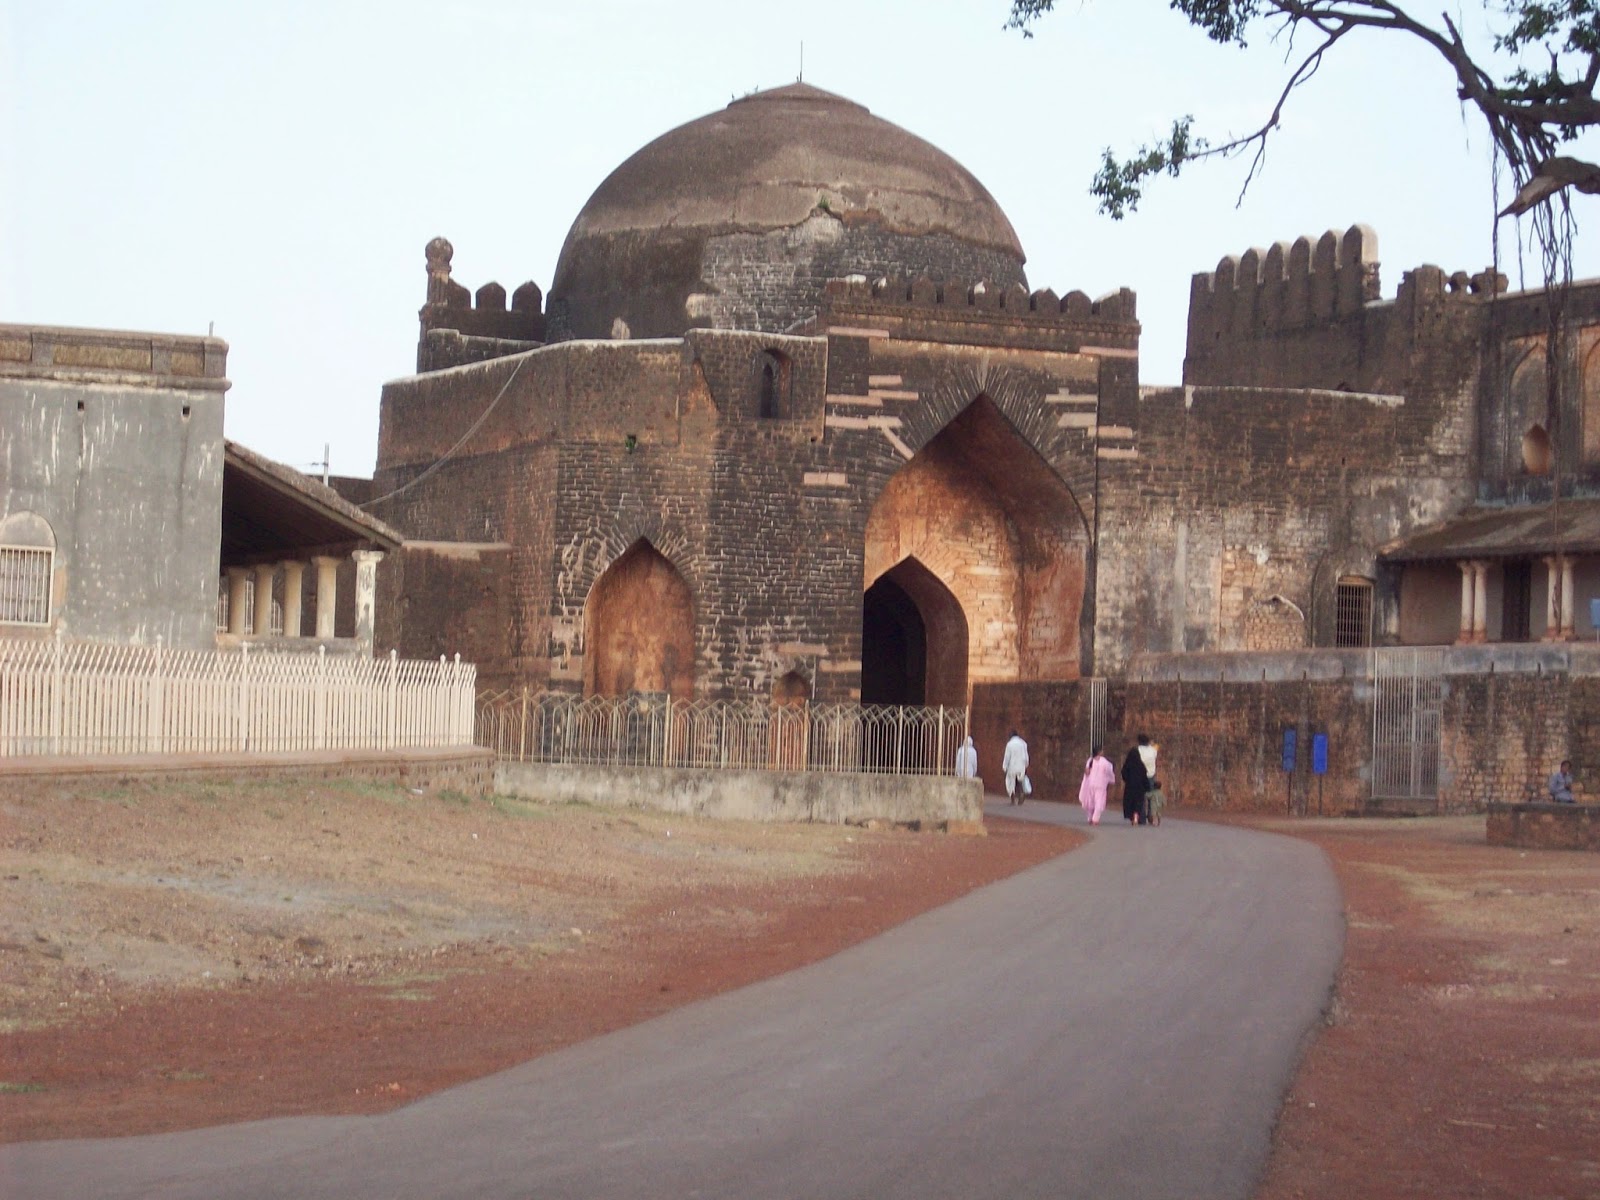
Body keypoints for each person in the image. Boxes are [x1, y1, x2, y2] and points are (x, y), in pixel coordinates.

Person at [1078, 744, 1115, 824]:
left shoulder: (1090, 760)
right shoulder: (1105, 762)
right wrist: (1111, 780)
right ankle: (1095, 819)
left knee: (1091, 801)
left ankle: (1090, 817)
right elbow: (1109, 772)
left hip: (1090, 784)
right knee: (1099, 801)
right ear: (1099, 752)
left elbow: (1087, 772)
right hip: (1101, 784)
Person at [1121, 734, 1151, 824]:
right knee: (1138, 802)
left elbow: (1124, 773)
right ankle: (1136, 815)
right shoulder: (1141, 766)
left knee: (1130, 802)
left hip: (1130, 786)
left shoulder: (1128, 765)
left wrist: (1127, 780)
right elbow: (1145, 777)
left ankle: (1132, 817)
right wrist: (1146, 786)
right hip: (1139, 787)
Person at [1002, 730, 1030, 806]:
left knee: (1010, 782)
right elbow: (1026, 756)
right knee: (1020, 781)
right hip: (1021, 766)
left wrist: (1004, 766)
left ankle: (1013, 799)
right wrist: (1026, 764)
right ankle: (1021, 793)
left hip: (1012, 766)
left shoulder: (1009, 744)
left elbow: (1007, 756)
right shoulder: (1023, 743)